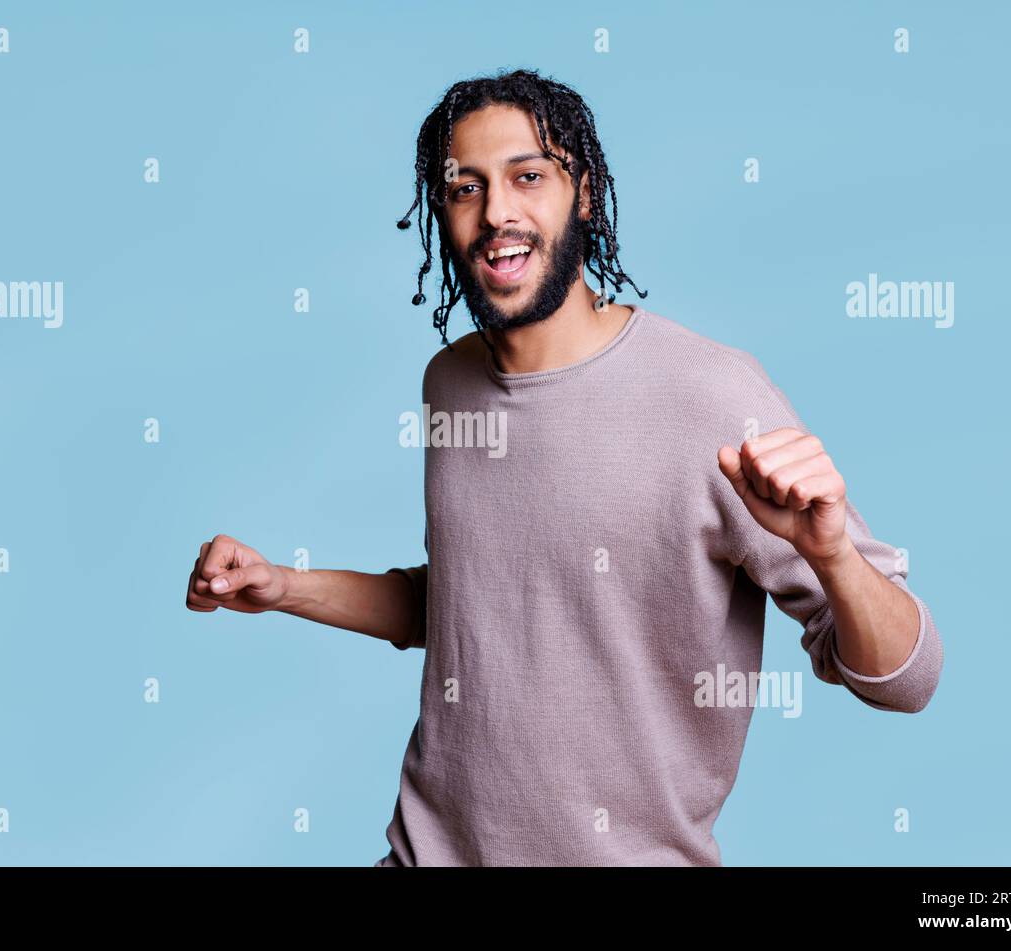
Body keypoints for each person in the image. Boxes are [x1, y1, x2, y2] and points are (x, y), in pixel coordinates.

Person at [184, 68, 944, 866]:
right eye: (464, 188)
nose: (497, 212)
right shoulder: (449, 383)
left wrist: (829, 555)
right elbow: (465, 610)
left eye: (528, 176)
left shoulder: (710, 394)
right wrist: (283, 586)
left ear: (582, 192)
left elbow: (908, 679)